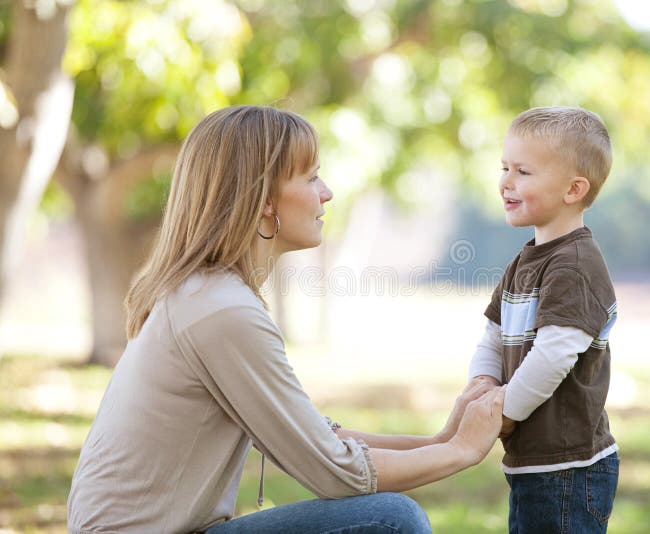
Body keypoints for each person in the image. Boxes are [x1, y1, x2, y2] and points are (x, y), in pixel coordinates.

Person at [67, 105, 505, 534]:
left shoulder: (207, 295)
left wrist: (439, 441)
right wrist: (463, 451)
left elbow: (314, 436)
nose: (327, 192)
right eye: (311, 177)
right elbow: (335, 472)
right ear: (262, 200)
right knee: (391, 520)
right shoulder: (221, 310)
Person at [467, 106, 620, 533]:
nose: (506, 181)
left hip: (568, 468)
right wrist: (482, 383)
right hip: (536, 463)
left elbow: (554, 355)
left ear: (573, 189)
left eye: (524, 172)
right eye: (504, 167)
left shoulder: (574, 265)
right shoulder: (526, 259)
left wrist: (506, 412)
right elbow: (494, 336)